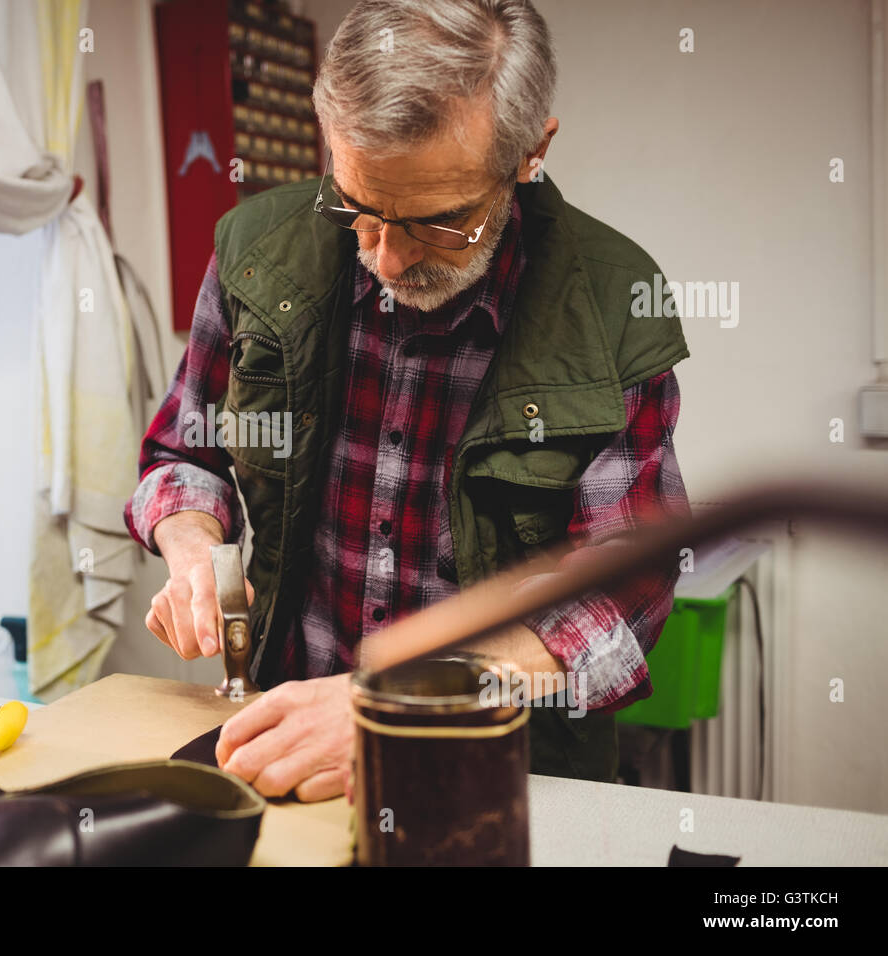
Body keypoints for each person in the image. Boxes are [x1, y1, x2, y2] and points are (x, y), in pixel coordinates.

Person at [125, 0, 689, 801]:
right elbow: (184, 452)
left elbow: (626, 590)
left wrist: (397, 711)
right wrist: (190, 550)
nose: (386, 257)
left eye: (441, 221)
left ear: (531, 154)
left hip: (507, 770)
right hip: (289, 752)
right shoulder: (257, 254)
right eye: (360, 208)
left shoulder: (610, 300)